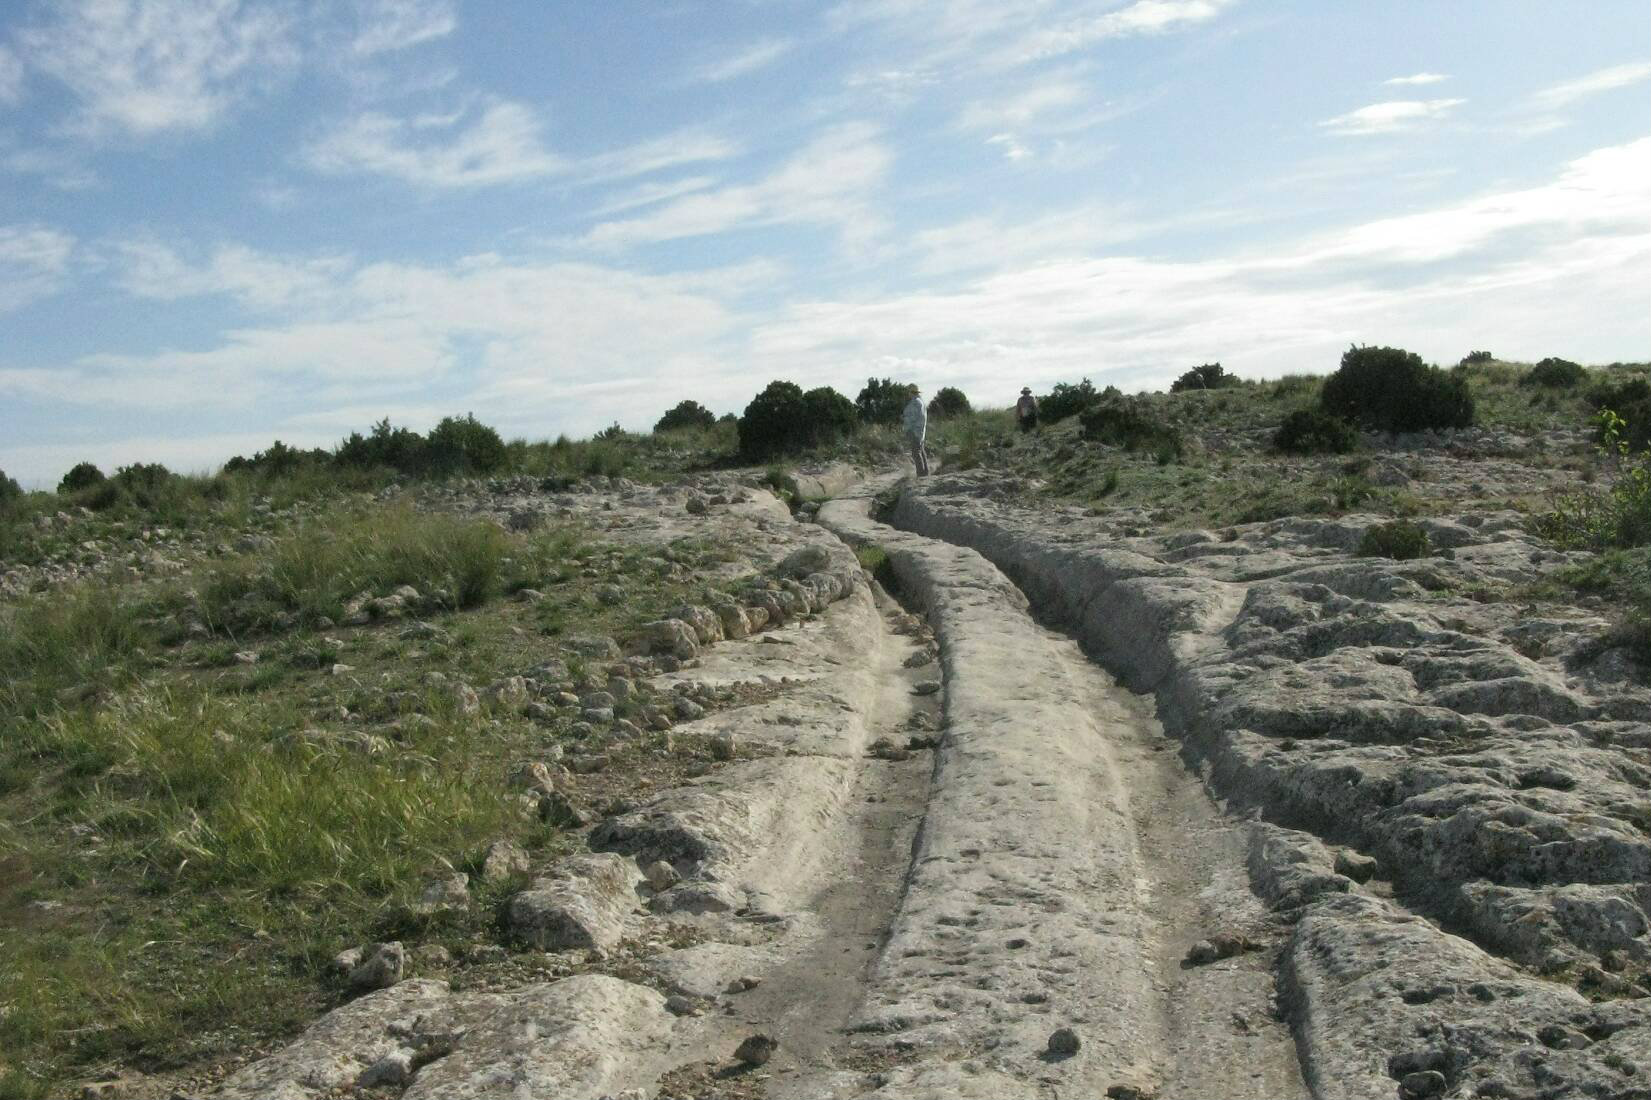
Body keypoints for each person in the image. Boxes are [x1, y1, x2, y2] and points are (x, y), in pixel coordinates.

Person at [903, 389, 930, 476]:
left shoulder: (915, 403)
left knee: (916, 453)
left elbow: (912, 417)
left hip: (915, 431)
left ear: (911, 392)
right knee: (921, 451)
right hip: (920, 431)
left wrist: (909, 428)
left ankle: (921, 474)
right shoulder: (920, 402)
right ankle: (925, 473)